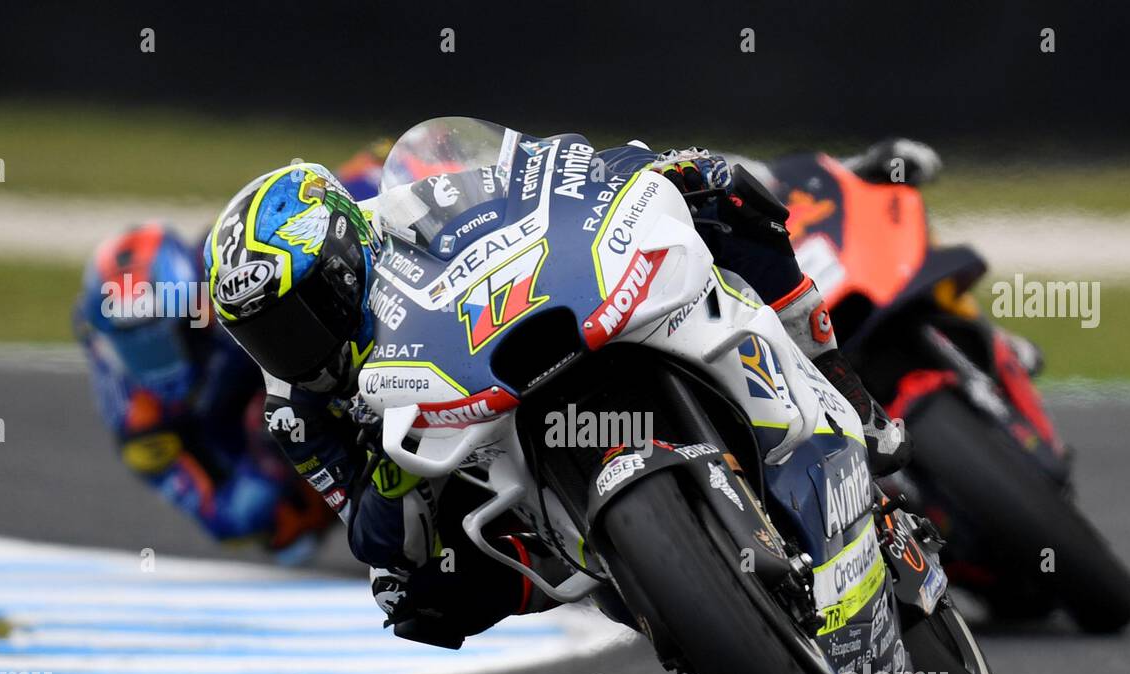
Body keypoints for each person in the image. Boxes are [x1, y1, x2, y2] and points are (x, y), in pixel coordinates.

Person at [202, 133, 908, 647]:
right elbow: (365, 530)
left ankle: (833, 372)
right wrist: (391, 476)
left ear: (344, 262)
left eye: (298, 316)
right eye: (265, 333)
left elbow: (537, 172)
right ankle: (643, 585)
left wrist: (628, 171)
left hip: (525, 332)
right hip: (471, 465)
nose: (291, 348)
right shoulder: (294, 407)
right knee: (411, 599)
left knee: (717, 183)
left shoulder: (407, 215)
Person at [72, 223, 334, 562]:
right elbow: (223, 519)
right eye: (135, 350)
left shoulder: (233, 265)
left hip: (284, 371)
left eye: (161, 343)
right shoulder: (137, 418)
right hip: (241, 440)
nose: (154, 364)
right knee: (279, 529)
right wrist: (267, 466)